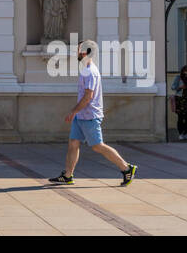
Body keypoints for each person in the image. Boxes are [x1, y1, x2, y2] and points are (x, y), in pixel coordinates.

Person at [50, 40, 137, 187]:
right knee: (73, 144)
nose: (76, 52)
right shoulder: (86, 69)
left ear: (85, 52)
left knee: (97, 146)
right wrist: (77, 113)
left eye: (78, 50)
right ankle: (67, 175)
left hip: (90, 117)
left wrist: (73, 111)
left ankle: (127, 168)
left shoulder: (90, 72)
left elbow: (88, 96)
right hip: (81, 116)